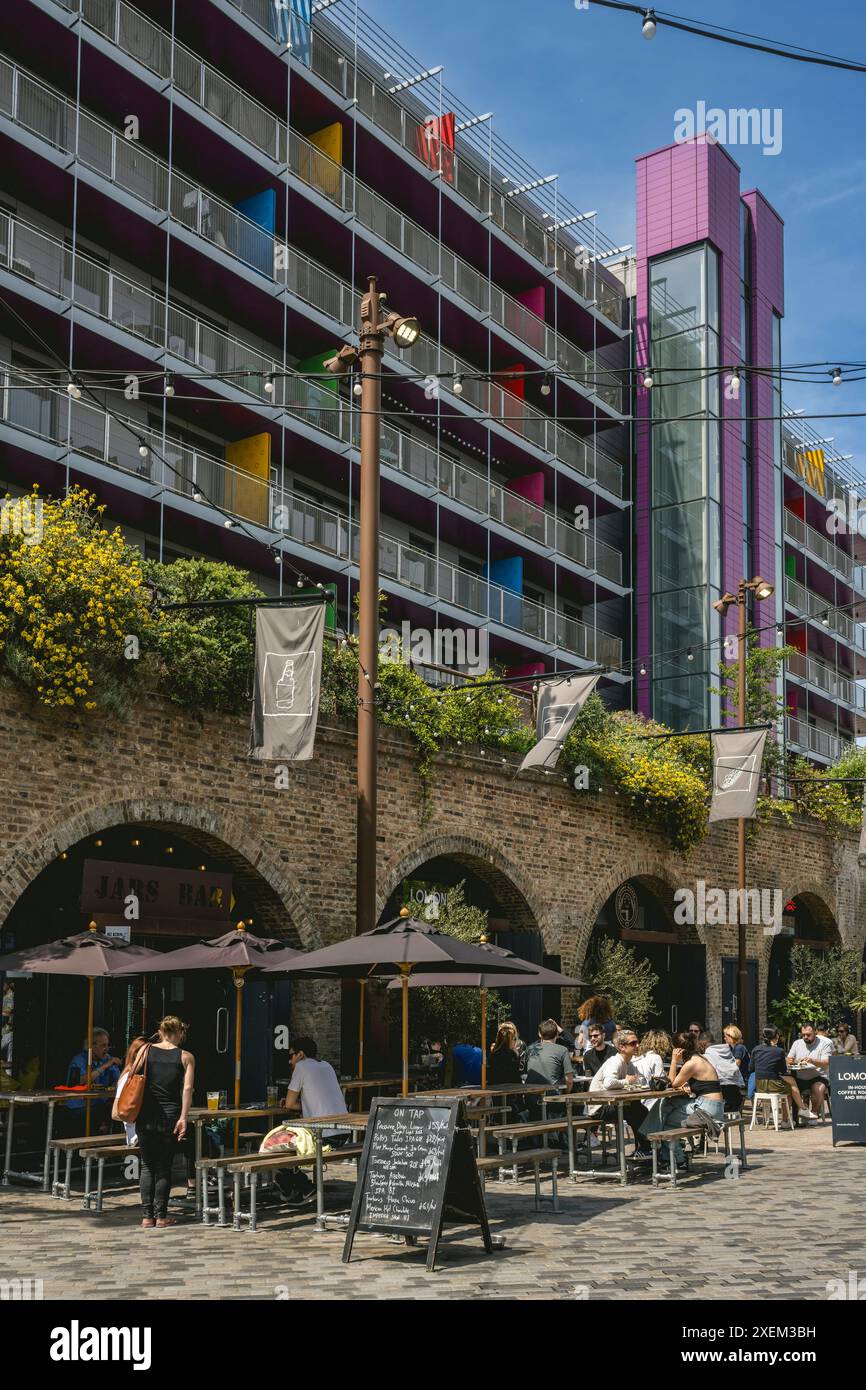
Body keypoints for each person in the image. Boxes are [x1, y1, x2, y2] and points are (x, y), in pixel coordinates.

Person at [136, 1017, 193, 1229]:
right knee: (164, 1167)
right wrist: (183, 1118)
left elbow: (133, 1075)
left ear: (160, 1032)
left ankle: (146, 1216)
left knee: (147, 1165)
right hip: (170, 1115)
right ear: (180, 1033)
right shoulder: (186, 1056)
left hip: (145, 1114)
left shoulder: (146, 1051)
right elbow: (187, 1089)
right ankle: (161, 1216)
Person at [278, 1036, 349, 1207]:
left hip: (325, 1135)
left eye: (292, 1055)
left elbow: (289, 1104)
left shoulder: (301, 1067)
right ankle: (292, 1188)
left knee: (279, 1146)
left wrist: (295, 1104)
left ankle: (304, 1188)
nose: (290, 1060)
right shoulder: (327, 1066)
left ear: (301, 1054)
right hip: (344, 1132)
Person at [640, 1030, 723, 1170]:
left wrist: (674, 1060)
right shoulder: (700, 1058)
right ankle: (656, 1147)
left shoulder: (691, 1063)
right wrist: (687, 1085)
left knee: (666, 1122)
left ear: (677, 1049)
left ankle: (674, 1157)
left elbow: (672, 1082)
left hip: (706, 1109)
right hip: (712, 1105)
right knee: (666, 1103)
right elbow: (694, 1082)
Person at [588, 1028, 652, 1157]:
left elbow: (636, 1080)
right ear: (622, 1047)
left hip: (614, 1103)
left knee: (640, 1109)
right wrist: (627, 1081)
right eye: (633, 1043)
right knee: (635, 1109)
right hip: (599, 1107)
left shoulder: (629, 1063)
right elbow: (609, 1083)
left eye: (637, 1042)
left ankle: (646, 1148)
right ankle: (646, 1148)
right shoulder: (614, 1062)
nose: (637, 1045)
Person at [65, 1028, 122, 1132]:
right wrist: (104, 1067)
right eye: (103, 1046)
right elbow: (81, 1080)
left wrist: (116, 1083)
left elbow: (119, 1080)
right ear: (91, 1046)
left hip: (99, 1105)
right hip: (80, 1107)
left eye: (107, 1045)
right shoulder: (80, 1060)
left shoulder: (107, 1058)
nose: (107, 1049)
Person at [750, 1026, 808, 1124]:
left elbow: (751, 1068)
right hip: (773, 1085)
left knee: (790, 1082)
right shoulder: (779, 1051)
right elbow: (783, 1070)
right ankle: (789, 1118)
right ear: (776, 1036)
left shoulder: (756, 1049)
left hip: (760, 1086)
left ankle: (795, 1114)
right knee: (790, 1089)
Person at [787, 1021, 833, 1119]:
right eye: (803, 1035)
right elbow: (789, 1059)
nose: (805, 1037)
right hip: (800, 1076)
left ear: (815, 1032)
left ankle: (814, 1113)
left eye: (808, 1035)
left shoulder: (824, 1044)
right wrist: (790, 1060)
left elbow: (826, 1062)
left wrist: (812, 1061)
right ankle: (794, 1117)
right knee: (788, 1088)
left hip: (818, 1075)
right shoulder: (797, 1043)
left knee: (818, 1088)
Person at [111, 1035, 148, 1146]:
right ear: (137, 1054)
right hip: (137, 1137)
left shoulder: (149, 1075)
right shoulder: (128, 1078)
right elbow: (115, 1113)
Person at [523, 1019, 574, 1095]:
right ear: (557, 1034)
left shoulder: (530, 1049)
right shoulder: (563, 1050)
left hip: (531, 1097)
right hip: (553, 1098)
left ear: (539, 1034)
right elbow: (569, 1081)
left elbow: (524, 1073)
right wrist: (566, 1094)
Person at [699, 1030, 745, 1112]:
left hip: (718, 1103)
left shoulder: (706, 1057)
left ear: (701, 1044)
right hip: (736, 1100)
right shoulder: (728, 1054)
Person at [634, 1029, 671, 1108]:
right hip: (651, 1102)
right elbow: (660, 1083)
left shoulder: (638, 1057)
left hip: (639, 1099)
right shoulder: (656, 1057)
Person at [488, 1022, 522, 1086]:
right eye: (514, 1038)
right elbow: (516, 1078)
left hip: (495, 1091)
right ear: (511, 1039)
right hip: (510, 1091)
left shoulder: (493, 1054)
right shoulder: (512, 1056)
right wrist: (517, 1056)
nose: (515, 1041)